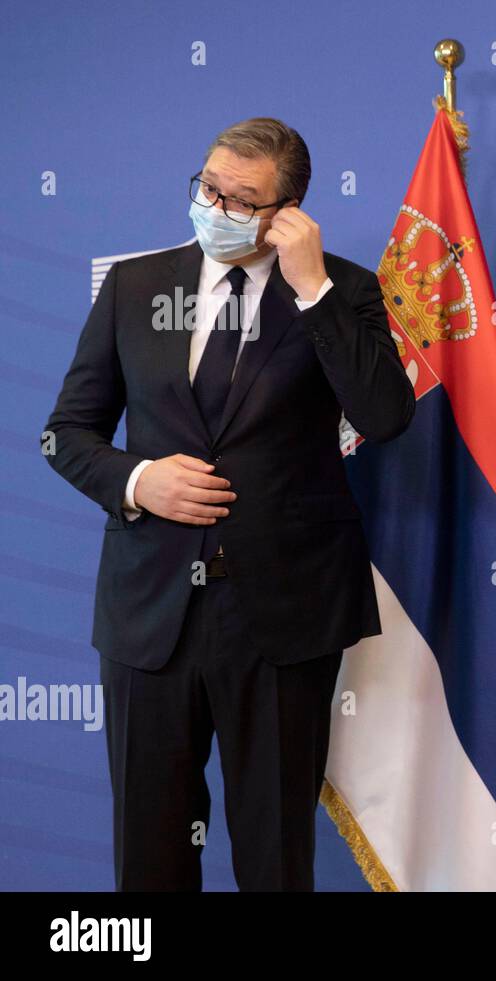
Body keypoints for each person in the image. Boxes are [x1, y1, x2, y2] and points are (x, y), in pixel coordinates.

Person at [42, 117, 415, 890]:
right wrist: (141, 480)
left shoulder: (342, 288)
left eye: (241, 199)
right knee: (149, 856)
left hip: (284, 614)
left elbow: (385, 418)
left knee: (274, 853)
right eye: (208, 186)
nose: (215, 205)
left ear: (289, 211)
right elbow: (67, 433)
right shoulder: (134, 286)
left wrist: (311, 289)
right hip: (150, 614)